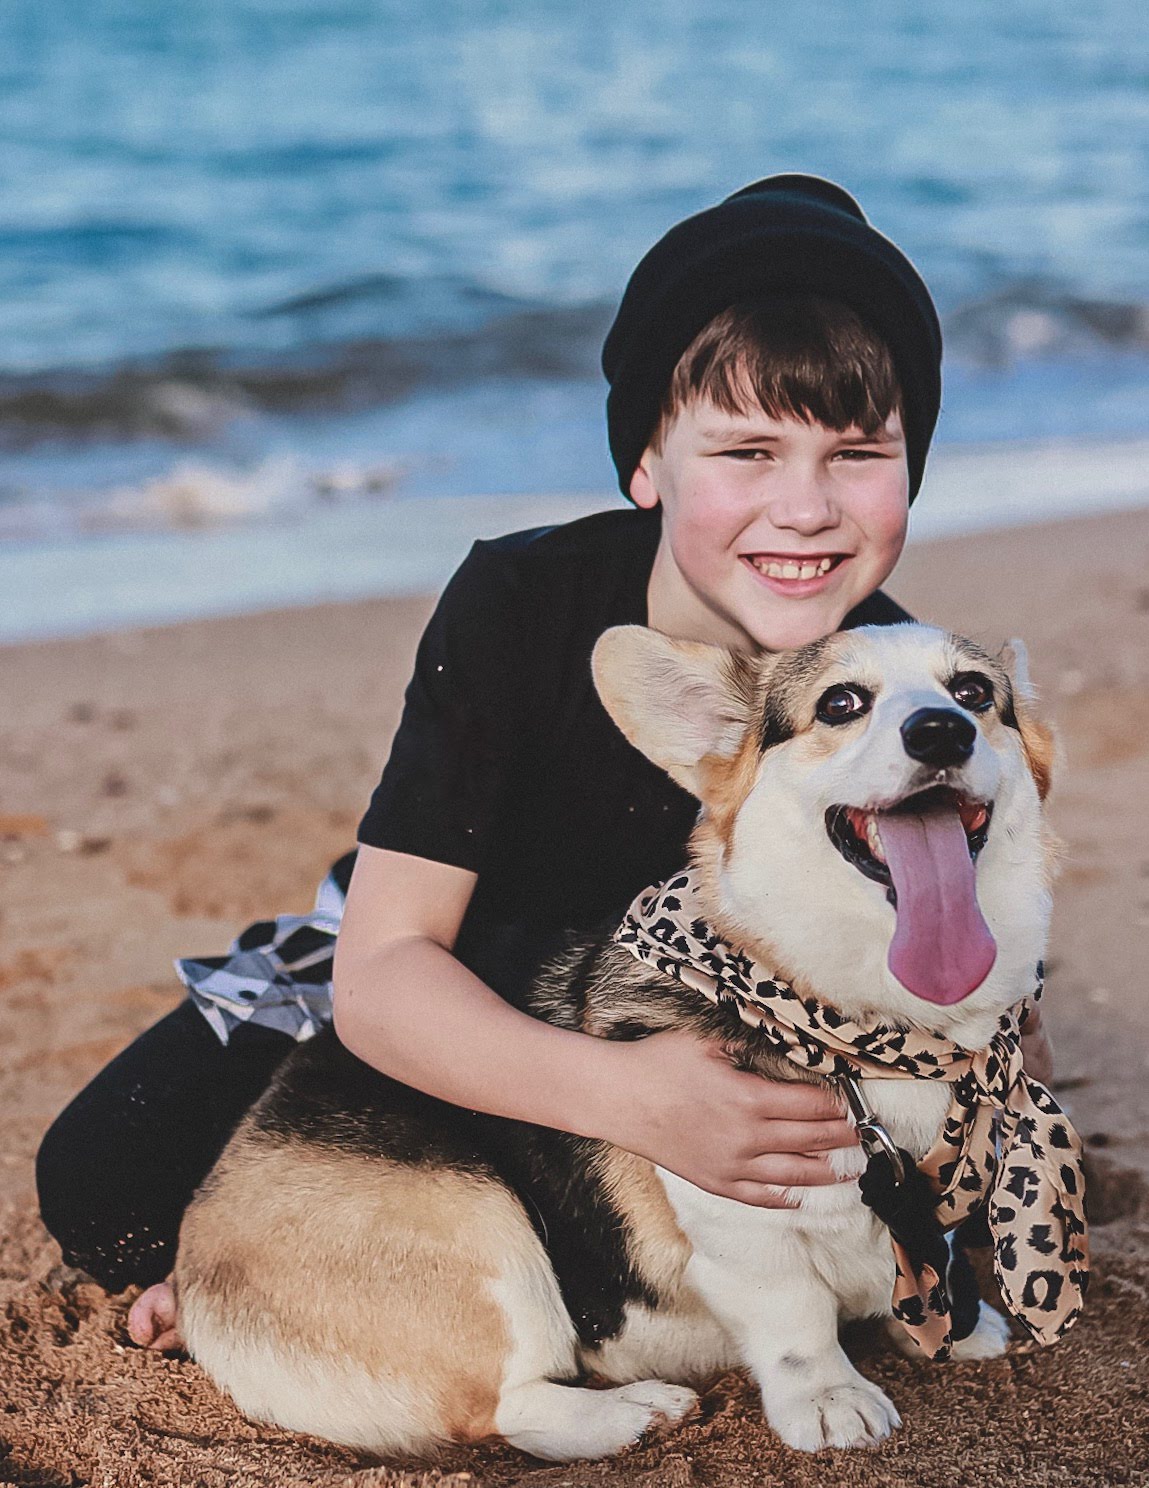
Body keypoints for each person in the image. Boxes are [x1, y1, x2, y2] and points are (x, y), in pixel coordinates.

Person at [35, 175, 1054, 1353]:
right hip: (450, 952)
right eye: (747, 450)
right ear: (648, 464)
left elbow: (967, 972)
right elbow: (385, 973)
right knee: (108, 1185)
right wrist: (631, 1099)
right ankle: (300, 1255)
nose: (806, 507)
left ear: (909, 469)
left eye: (857, 453)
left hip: (691, 1002)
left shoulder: (905, 696)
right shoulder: (517, 604)